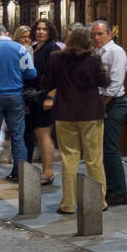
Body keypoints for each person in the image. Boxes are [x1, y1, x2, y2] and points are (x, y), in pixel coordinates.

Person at [45, 27, 109, 216]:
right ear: (87, 41)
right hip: (91, 114)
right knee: (94, 159)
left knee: (69, 158)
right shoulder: (94, 58)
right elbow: (104, 82)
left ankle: (68, 203)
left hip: (64, 113)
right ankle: (99, 201)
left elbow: (48, 82)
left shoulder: (56, 57)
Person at [0, 23, 38, 188]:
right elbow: (32, 73)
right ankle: (23, 179)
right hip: (15, 96)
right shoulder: (19, 48)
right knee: (18, 137)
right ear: (7, 33)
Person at [91, 20, 127, 206]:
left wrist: (102, 104)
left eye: (100, 34)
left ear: (110, 34)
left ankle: (119, 192)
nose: (96, 38)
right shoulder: (96, 52)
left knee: (110, 147)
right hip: (99, 103)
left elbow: (115, 84)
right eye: (94, 35)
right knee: (100, 149)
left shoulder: (116, 52)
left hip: (114, 104)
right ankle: (106, 188)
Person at [25, 18, 60, 185]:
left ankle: (48, 172)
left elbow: (58, 76)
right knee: (37, 134)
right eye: (38, 29)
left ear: (50, 32)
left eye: (44, 29)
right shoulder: (34, 48)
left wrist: (51, 97)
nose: (40, 32)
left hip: (45, 96)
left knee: (44, 134)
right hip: (33, 96)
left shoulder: (52, 48)